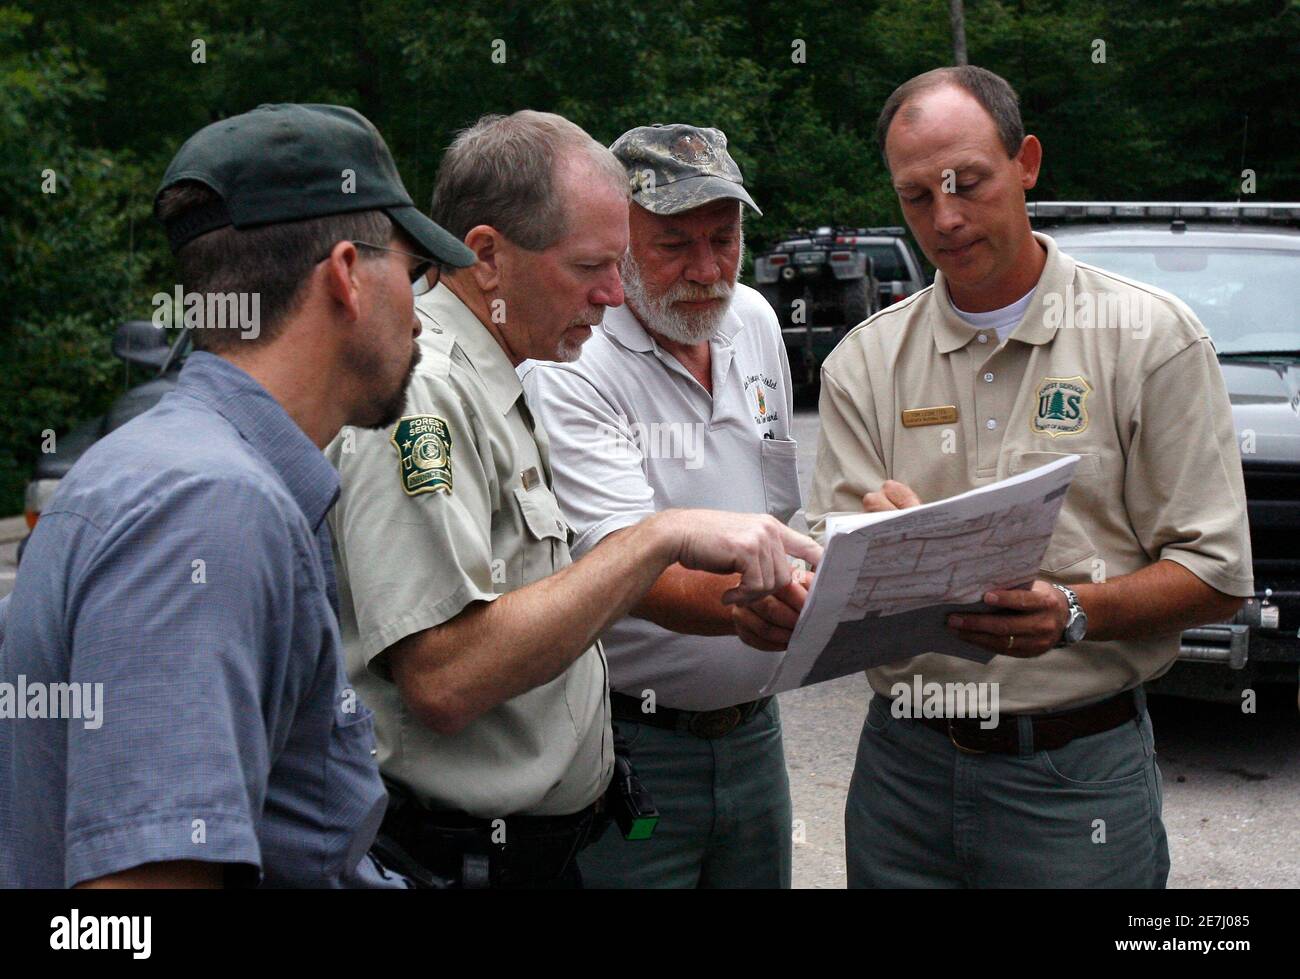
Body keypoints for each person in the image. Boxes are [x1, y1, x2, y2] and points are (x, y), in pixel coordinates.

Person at [325, 111, 821, 889]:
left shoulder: (496, 370)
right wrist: (657, 539)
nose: (611, 293)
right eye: (593, 265)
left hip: (539, 838)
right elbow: (444, 681)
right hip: (464, 853)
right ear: (486, 256)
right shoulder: (428, 397)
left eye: (620, 264)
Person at [0, 103, 477, 888]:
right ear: (349, 276)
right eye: (414, 272)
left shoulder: (179, 469)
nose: (421, 313)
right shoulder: (209, 510)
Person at [805, 66, 1252, 888]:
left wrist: (1075, 610)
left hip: (1076, 775)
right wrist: (864, 555)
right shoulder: (863, 364)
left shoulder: (1149, 340)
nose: (944, 219)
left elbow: (1218, 574)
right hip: (903, 773)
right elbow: (817, 584)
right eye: (914, 197)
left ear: (1028, 162)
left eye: (967, 183)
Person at [521, 123, 803, 888]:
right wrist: (767, 607)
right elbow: (625, 566)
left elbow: (779, 508)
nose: (708, 269)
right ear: (617, 241)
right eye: (673, 244)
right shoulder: (576, 355)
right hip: (633, 744)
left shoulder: (752, 321)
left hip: (756, 736)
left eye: (724, 236)